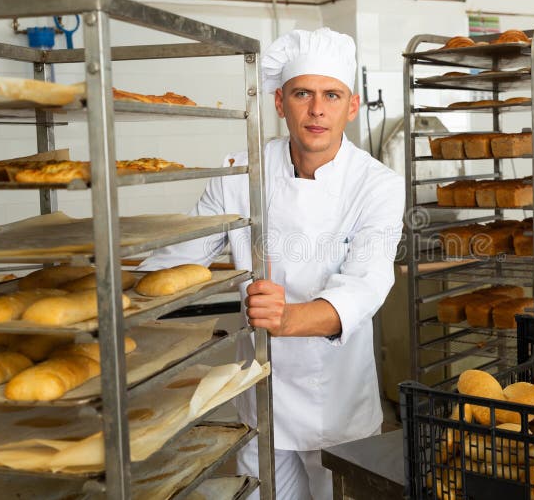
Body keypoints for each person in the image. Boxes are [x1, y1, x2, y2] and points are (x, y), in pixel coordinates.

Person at [139, 27, 405, 499]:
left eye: (331, 95)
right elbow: (177, 261)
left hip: (339, 404)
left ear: (352, 105)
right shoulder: (242, 173)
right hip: (262, 393)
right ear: (281, 103)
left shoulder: (376, 183)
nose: (317, 109)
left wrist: (292, 316)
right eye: (303, 93)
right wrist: (100, 286)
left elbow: (368, 282)